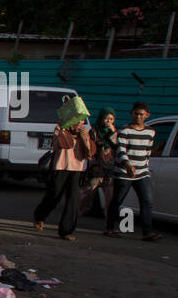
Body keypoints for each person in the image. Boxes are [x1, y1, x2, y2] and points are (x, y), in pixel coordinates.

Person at [33, 100, 94, 240]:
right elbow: (58, 146)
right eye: (77, 119)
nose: (79, 123)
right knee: (54, 195)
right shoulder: (60, 128)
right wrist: (65, 132)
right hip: (60, 167)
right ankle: (39, 215)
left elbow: (89, 153)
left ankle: (66, 231)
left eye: (82, 120)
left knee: (73, 199)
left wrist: (84, 137)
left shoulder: (85, 132)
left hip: (77, 169)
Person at [105, 102, 162, 241]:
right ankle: (110, 227)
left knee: (146, 201)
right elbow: (121, 150)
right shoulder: (125, 131)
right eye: (136, 113)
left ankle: (147, 232)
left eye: (141, 114)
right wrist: (127, 165)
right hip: (124, 173)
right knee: (117, 200)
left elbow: (147, 151)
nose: (138, 117)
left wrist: (145, 167)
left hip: (142, 172)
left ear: (147, 115)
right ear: (131, 113)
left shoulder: (150, 132)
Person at [80, 109, 120, 216]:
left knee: (109, 197)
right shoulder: (94, 131)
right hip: (96, 169)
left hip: (109, 169)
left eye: (111, 119)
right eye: (106, 119)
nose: (108, 122)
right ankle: (76, 214)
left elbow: (117, 146)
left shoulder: (114, 133)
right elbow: (90, 148)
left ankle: (109, 225)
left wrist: (113, 132)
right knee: (88, 194)